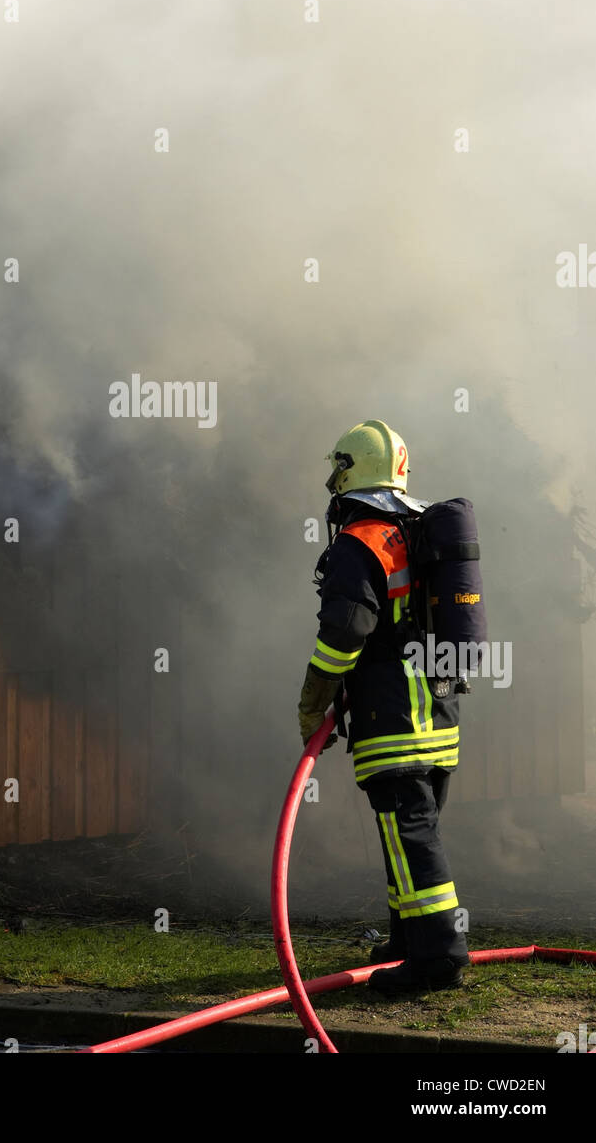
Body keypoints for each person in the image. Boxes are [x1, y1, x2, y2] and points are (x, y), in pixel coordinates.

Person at [298, 419, 470, 995]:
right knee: (407, 834)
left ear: (350, 471)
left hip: (394, 721)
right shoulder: (418, 532)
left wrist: (312, 699)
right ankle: (410, 942)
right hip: (437, 715)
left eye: (337, 468)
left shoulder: (361, 541)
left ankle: (437, 959)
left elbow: (344, 633)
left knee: (409, 834)